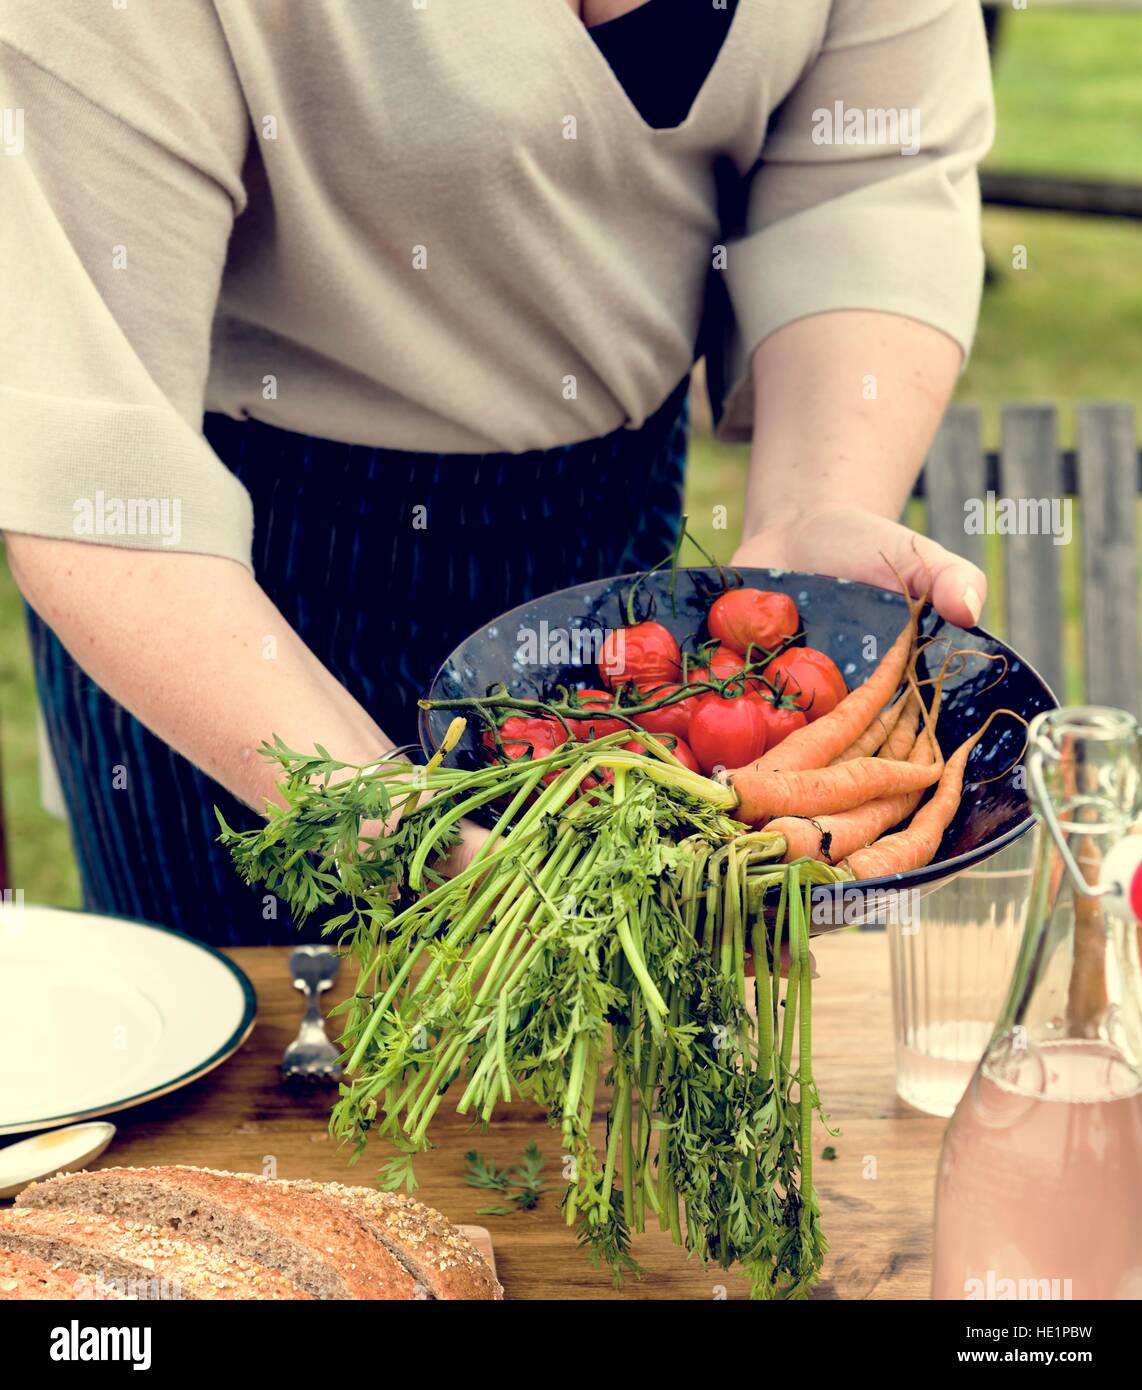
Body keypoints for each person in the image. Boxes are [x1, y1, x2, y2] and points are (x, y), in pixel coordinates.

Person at [1, 0, 994, 944]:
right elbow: (92, 436)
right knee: (277, 1085)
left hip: (609, 561)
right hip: (233, 591)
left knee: (614, 1079)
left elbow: (869, 175)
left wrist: (813, 512)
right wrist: (392, 835)